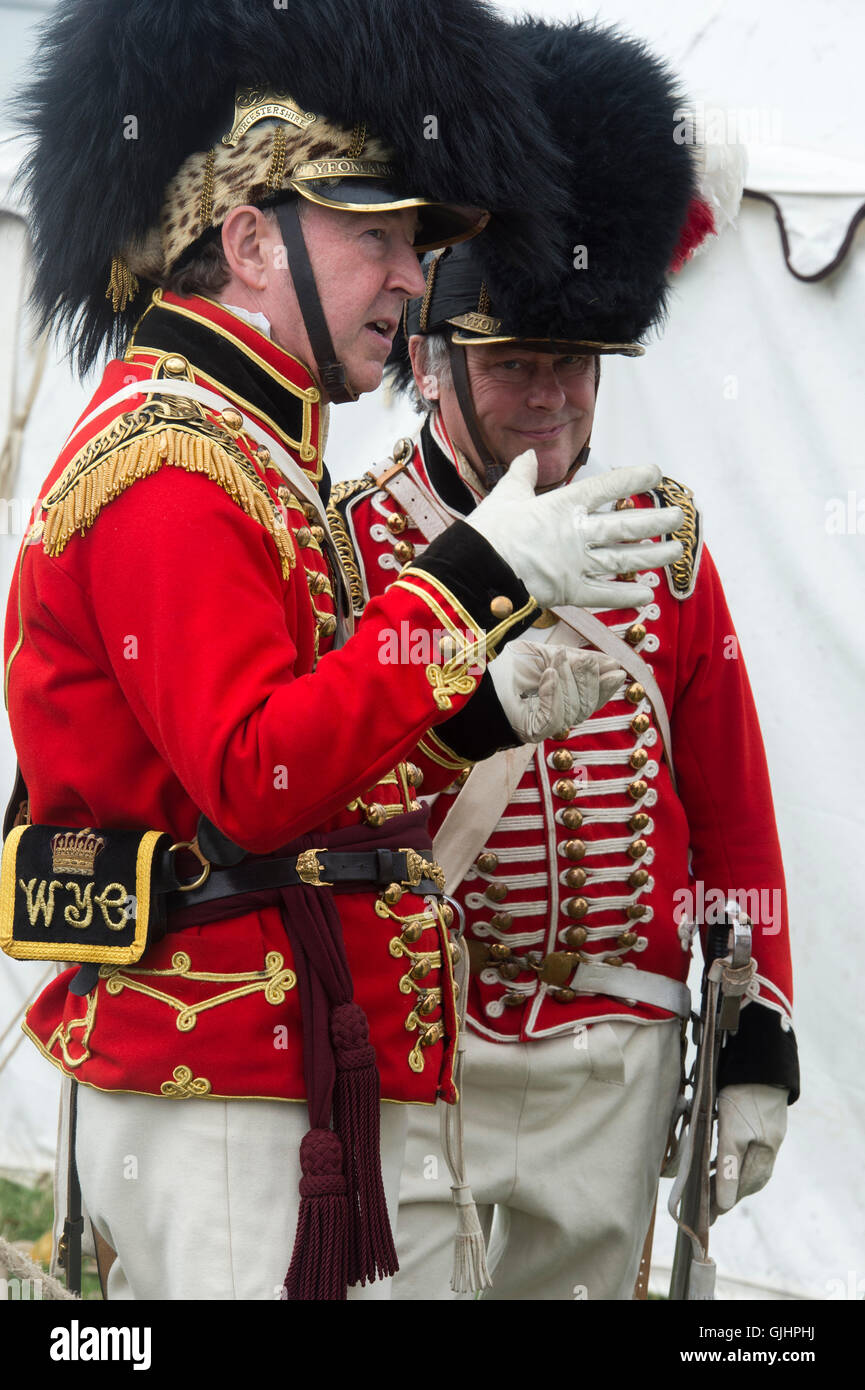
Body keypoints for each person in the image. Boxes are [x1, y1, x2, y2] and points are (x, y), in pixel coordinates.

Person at [0, 0, 682, 1301]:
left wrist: (473, 721)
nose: (414, 280)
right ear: (249, 239)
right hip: (235, 1085)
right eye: (377, 235)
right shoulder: (175, 456)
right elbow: (255, 777)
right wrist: (468, 585)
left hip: (301, 1061)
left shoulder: (253, 443)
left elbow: (326, 766)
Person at [329, 17, 800, 1301]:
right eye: (517, 364)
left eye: (574, 365)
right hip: (422, 1049)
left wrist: (760, 1020)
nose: (552, 399)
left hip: (619, 1048)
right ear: (431, 364)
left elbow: (731, 805)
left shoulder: (664, 543)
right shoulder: (353, 548)